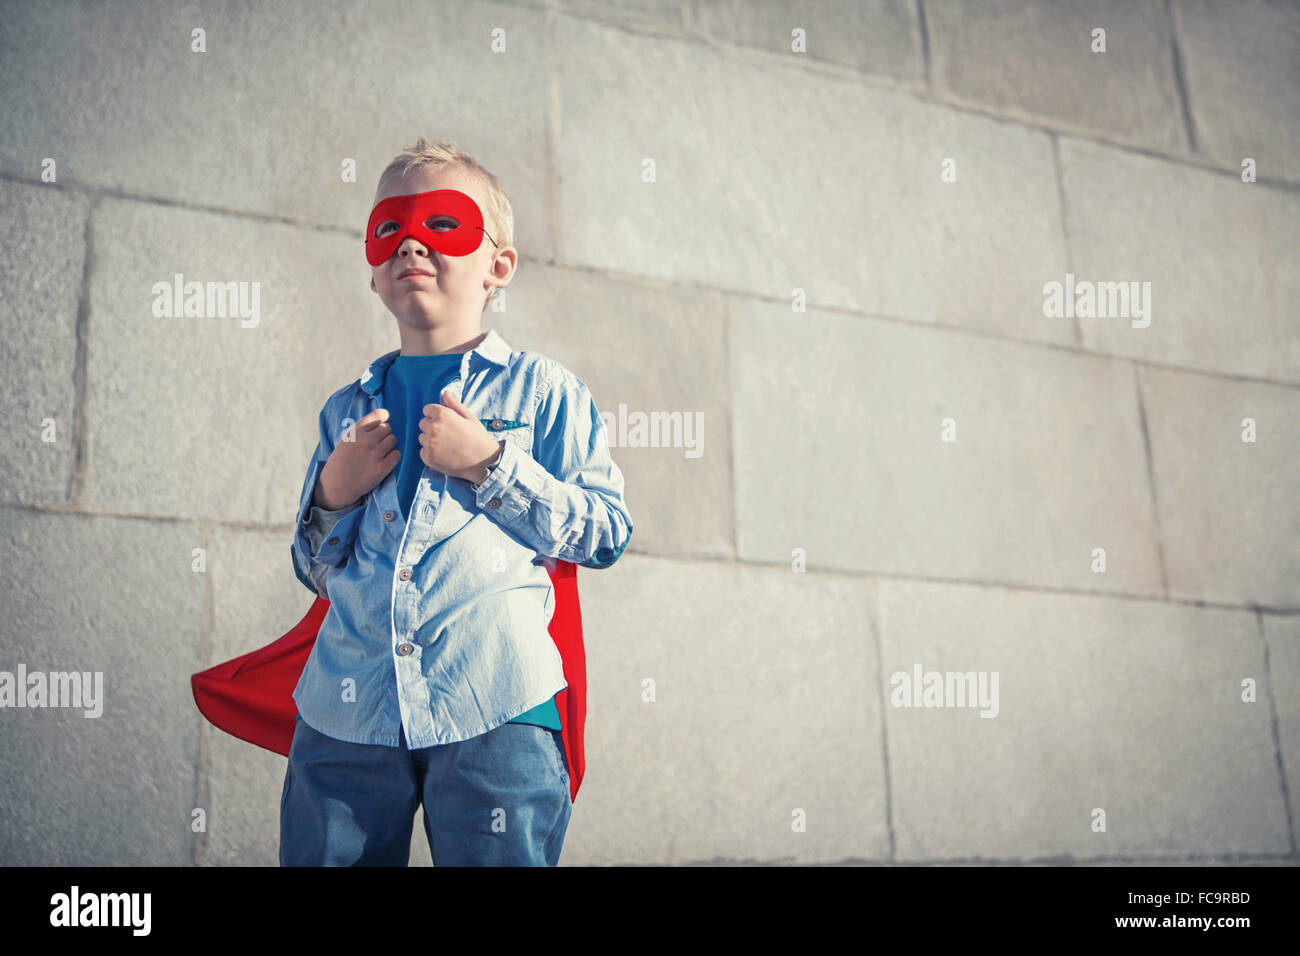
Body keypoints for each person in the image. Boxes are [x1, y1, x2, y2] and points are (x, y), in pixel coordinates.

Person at [280, 137, 634, 866]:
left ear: (497, 265)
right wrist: (331, 495)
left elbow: (606, 532)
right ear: (374, 273)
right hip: (347, 714)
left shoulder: (544, 392)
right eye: (391, 227)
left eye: (443, 224)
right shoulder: (345, 410)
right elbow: (313, 567)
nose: (411, 241)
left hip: (495, 707)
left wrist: (493, 465)